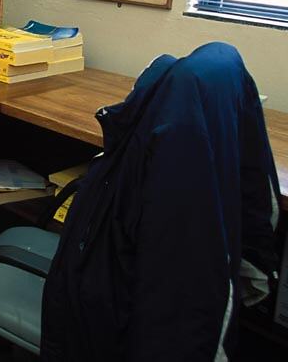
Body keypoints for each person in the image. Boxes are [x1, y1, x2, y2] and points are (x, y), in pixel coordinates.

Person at [41, 43, 281, 361]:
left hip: (112, 304)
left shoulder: (164, 119)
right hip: (178, 300)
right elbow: (258, 193)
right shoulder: (199, 106)